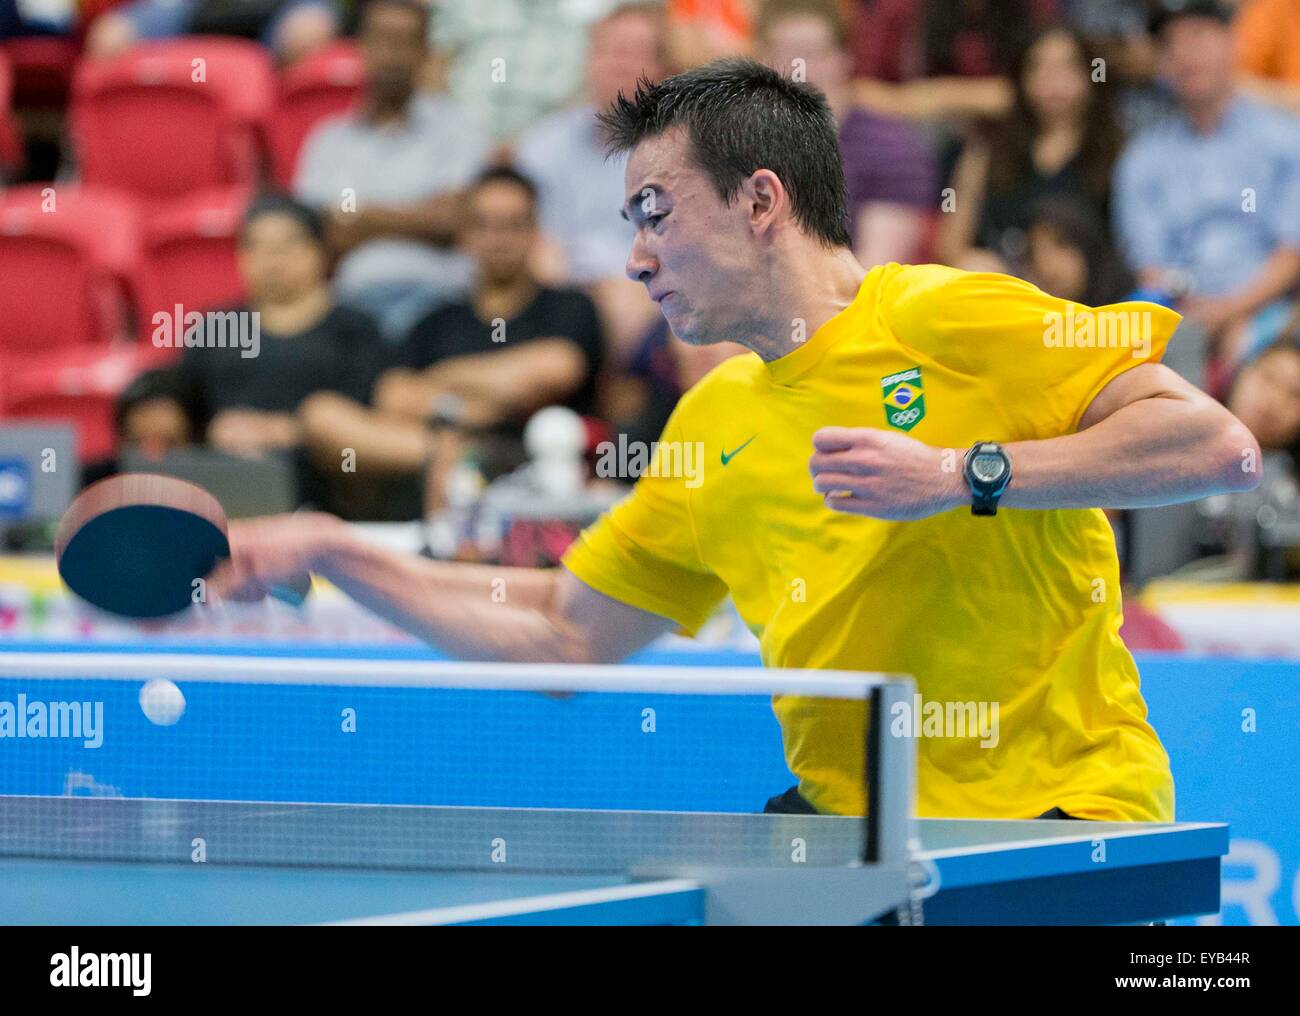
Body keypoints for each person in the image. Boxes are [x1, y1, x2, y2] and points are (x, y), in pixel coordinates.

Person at [215, 59, 1261, 823]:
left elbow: (1214, 444)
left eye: (656, 213)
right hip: (849, 834)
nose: (633, 257)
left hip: (1055, 820)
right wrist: (334, 550)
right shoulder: (710, 421)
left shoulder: (949, 314)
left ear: (762, 200)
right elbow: (563, 630)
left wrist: (959, 473)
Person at [297, 167, 604, 520]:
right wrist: (479, 410)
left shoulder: (568, 306)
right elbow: (394, 395)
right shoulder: (436, 321)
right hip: (439, 453)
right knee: (321, 415)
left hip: (537, 463)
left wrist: (441, 382)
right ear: (465, 234)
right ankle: (463, 458)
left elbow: (555, 369)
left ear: (535, 232)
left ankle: (462, 458)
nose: (498, 238)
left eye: (513, 225)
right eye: (484, 225)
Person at [117, 193, 384, 502]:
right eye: (257, 247)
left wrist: (285, 431)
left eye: (287, 246)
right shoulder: (214, 328)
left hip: (330, 487)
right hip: (225, 485)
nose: (272, 259)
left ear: (320, 252)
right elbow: (182, 399)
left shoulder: (355, 330)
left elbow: (370, 418)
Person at [1113, 0, 1300, 368]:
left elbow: (1290, 252)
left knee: (1260, 351)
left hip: (1272, 306)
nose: (1184, 54)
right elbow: (1150, 265)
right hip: (1178, 309)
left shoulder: (1285, 139)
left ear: (1233, 44)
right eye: (1170, 44)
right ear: (1160, 66)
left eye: (1197, 36)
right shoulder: (1142, 157)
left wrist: (1230, 311)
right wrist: (1194, 315)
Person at [294, 0, 490, 341]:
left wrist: (359, 217)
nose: (392, 54)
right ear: (361, 47)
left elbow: (452, 221)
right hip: (352, 307)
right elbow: (319, 234)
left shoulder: (461, 129)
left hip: (445, 304)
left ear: (425, 52)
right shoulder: (328, 140)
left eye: (405, 42)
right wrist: (421, 214)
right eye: (382, 39)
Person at [514, 3, 668, 363]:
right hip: (561, 298)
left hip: (645, 300)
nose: (618, 65)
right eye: (608, 51)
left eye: (634, 54)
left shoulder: (680, 154)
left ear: (662, 71)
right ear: (588, 61)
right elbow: (536, 244)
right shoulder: (543, 144)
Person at [757, 0, 938, 267]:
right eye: (782, 53)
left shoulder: (892, 149)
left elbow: (871, 276)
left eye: (810, 52)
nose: (797, 68)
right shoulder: (739, 142)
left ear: (844, 57)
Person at [939, 26, 1123, 273]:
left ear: (1092, 76)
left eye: (1067, 67)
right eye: (1039, 67)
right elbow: (950, 244)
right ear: (1021, 79)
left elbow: (1130, 250)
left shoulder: (1120, 154)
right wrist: (980, 264)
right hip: (1004, 289)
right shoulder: (986, 151)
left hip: (1088, 299)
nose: (1053, 80)